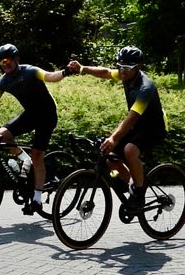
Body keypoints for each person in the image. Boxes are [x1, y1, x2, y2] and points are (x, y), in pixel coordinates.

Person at [0, 43, 68, 213]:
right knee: (1, 135)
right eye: (1, 62)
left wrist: (66, 71)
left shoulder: (30, 71)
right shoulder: (3, 82)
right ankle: (24, 159)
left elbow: (51, 76)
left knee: (38, 155)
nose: (5, 64)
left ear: (16, 59)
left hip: (47, 116)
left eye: (7, 60)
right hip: (30, 114)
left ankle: (37, 198)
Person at [67, 46, 166, 216]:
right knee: (109, 155)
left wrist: (113, 138)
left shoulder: (145, 87)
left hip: (154, 128)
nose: (122, 71)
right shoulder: (125, 74)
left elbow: (132, 117)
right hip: (137, 125)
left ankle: (140, 193)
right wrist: (83, 68)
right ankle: (130, 185)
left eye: (126, 68)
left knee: (129, 150)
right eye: (120, 66)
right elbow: (105, 72)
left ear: (137, 67)